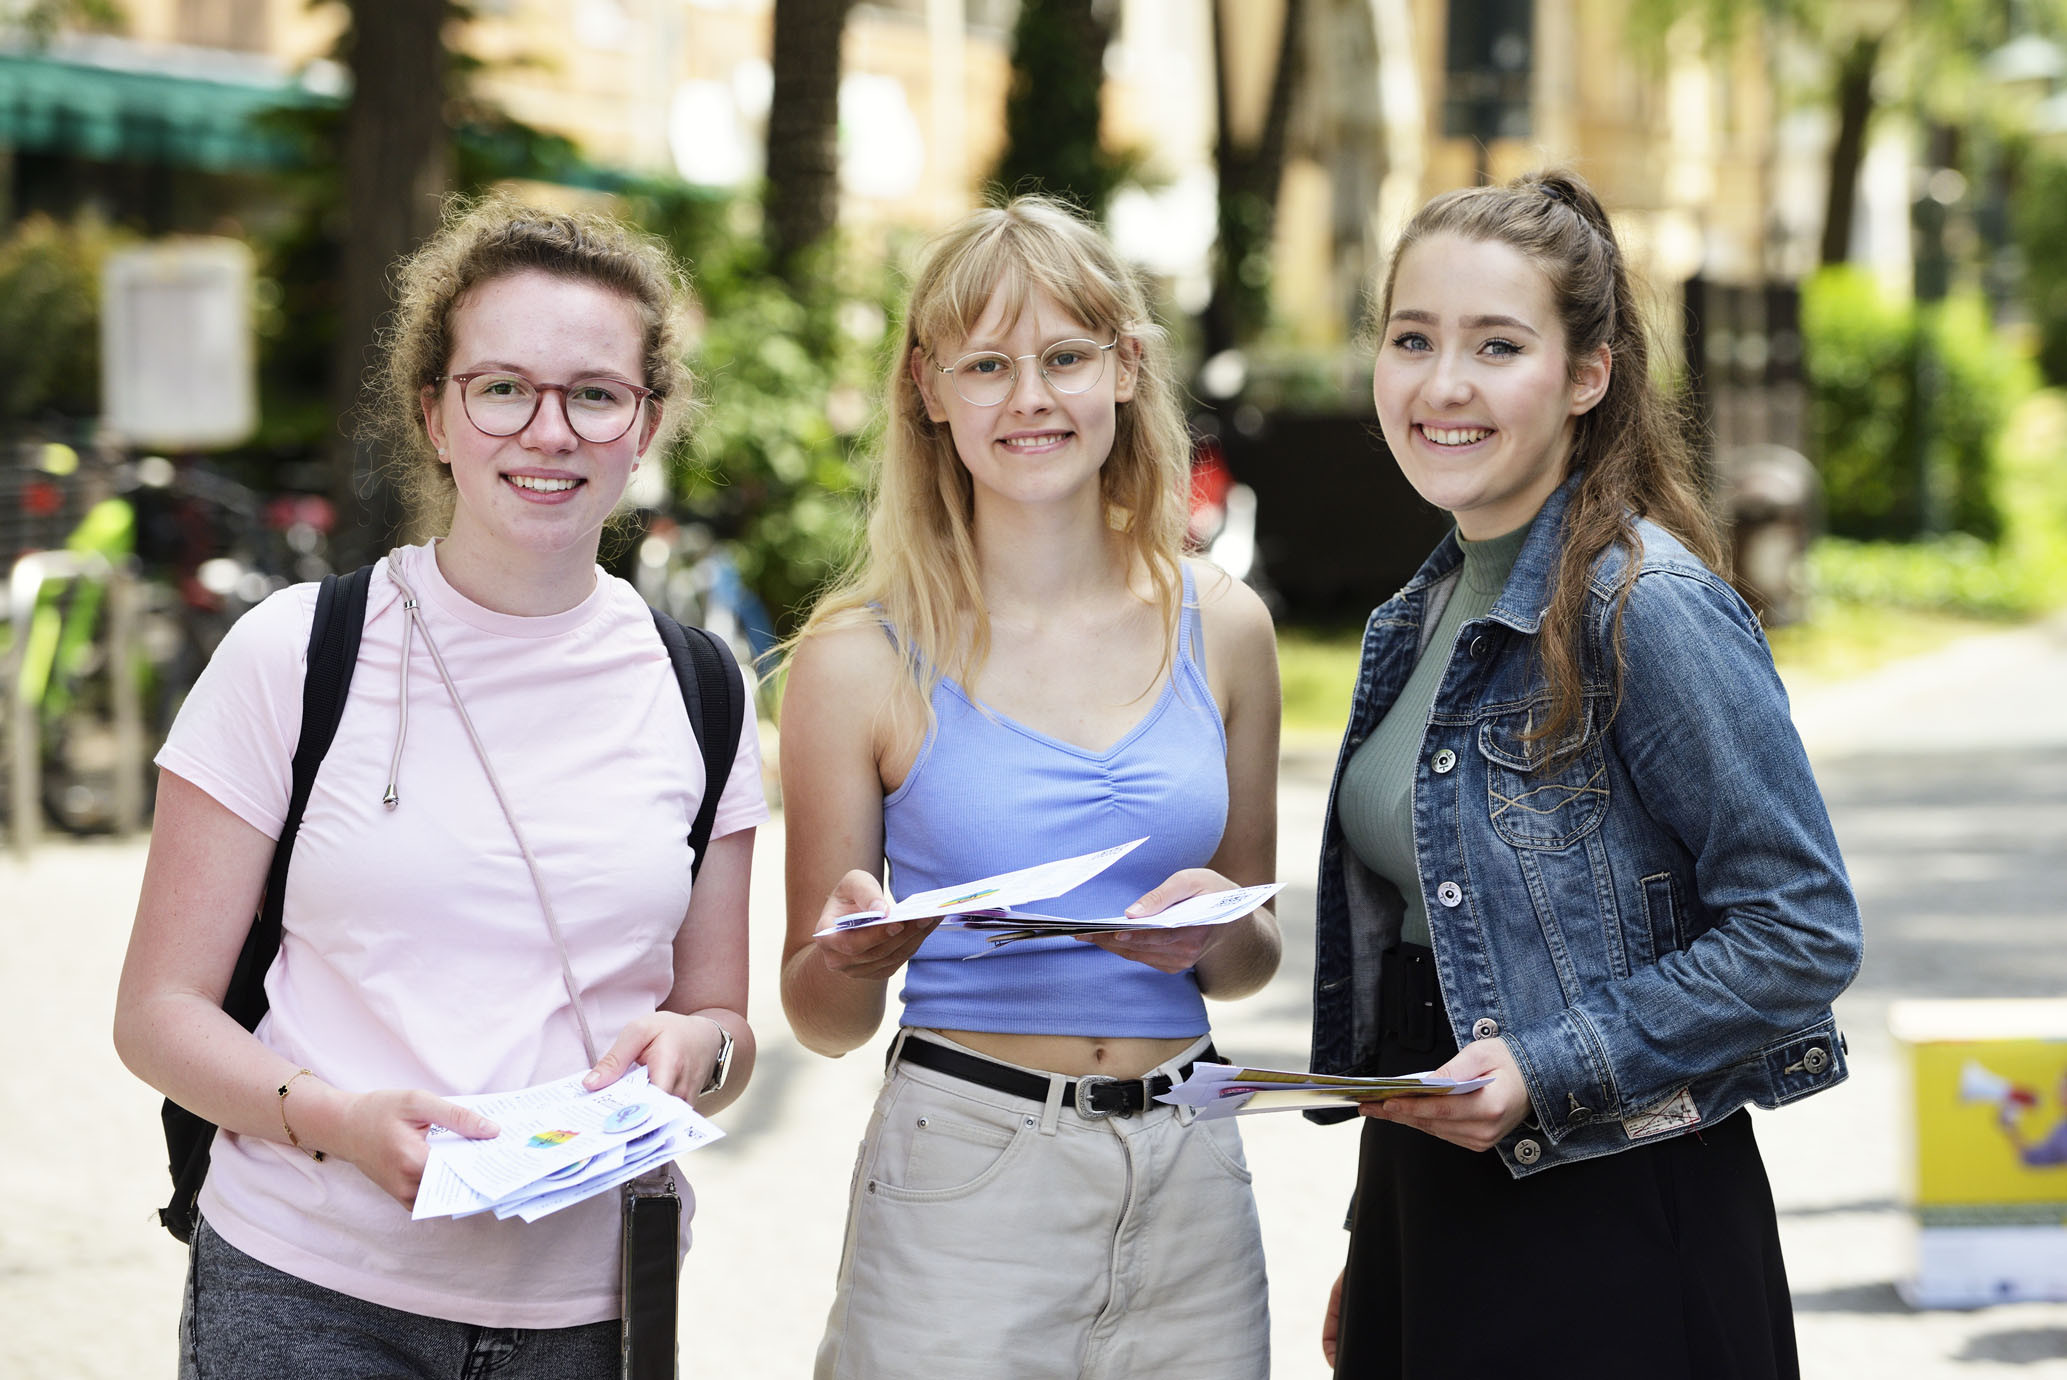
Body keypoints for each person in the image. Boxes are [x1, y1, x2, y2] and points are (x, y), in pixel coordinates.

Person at [113, 196, 767, 1378]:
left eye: (595, 393)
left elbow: (726, 1028)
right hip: (308, 1298)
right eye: (502, 387)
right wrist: (338, 1123)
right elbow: (158, 1016)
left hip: (592, 1312)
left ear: (647, 421)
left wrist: (694, 1055)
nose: (548, 430)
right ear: (437, 413)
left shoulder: (707, 690)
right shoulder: (291, 653)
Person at [1310, 170, 1862, 1378]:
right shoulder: (1415, 616)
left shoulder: (1644, 606)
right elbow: (1431, 954)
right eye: (1413, 339)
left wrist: (1547, 1067)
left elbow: (1802, 928)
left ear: (1586, 376)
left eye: (1496, 345)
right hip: (1434, 1204)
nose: (1442, 384)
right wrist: (1378, 1229)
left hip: (1614, 1227)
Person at [779, 195, 1283, 1379]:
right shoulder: (856, 656)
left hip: (1190, 1169)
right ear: (927, 388)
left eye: (1064, 357)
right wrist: (852, 955)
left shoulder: (1227, 626)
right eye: (989, 365)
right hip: (964, 1173)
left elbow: (1256, 954)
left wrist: (1211, 931)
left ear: (1125, 368)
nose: (1031, 399)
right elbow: (820, 1018)